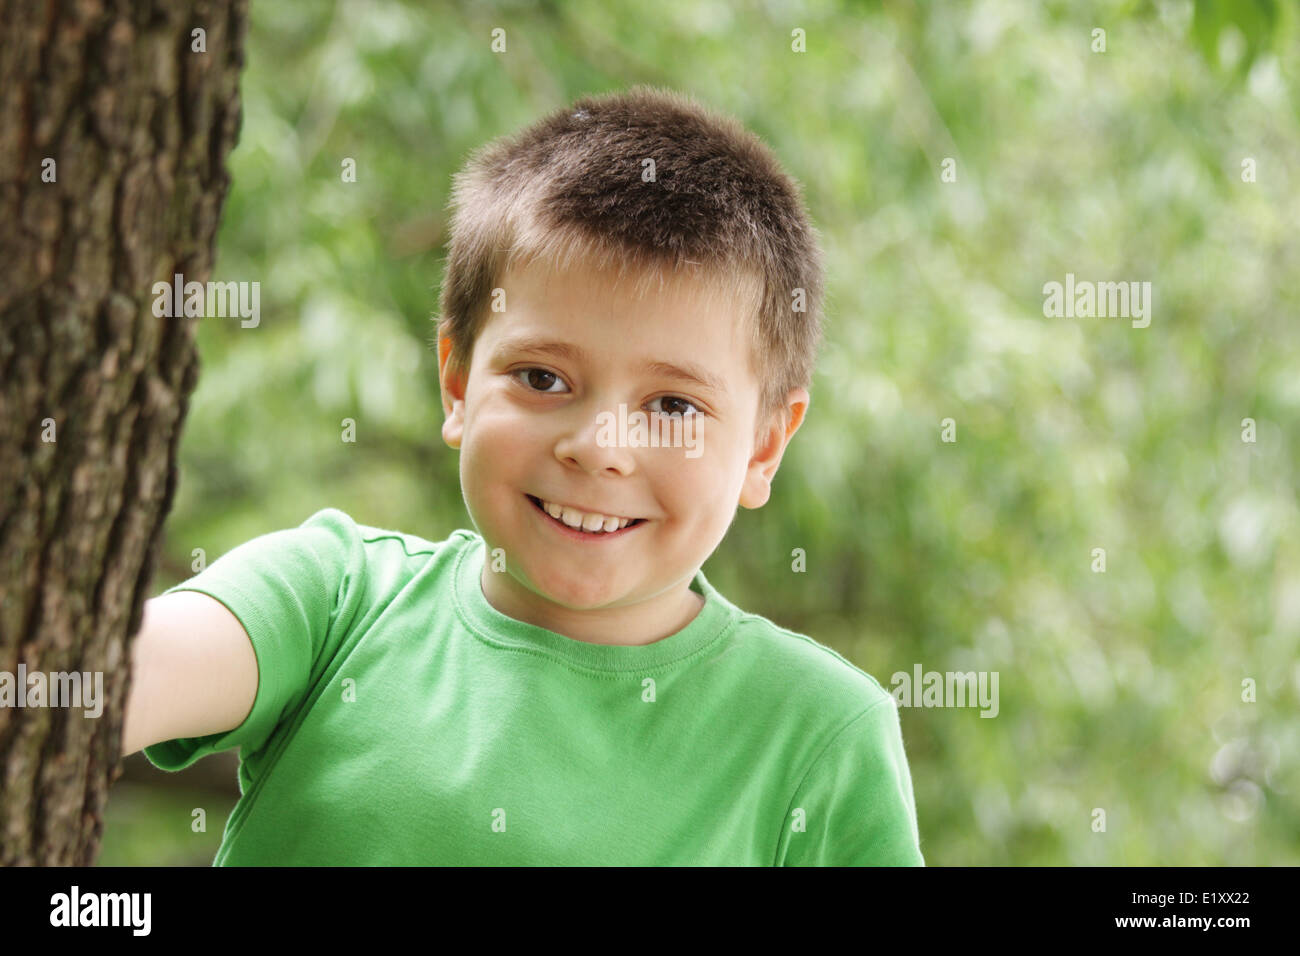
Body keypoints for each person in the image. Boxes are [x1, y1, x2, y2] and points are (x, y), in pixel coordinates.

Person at [123, 85, 925, 866]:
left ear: (763, 447)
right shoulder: (331, 600)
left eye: (674, 405)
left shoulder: (819, 736)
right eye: (543, 378)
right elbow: (91, 682)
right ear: (459, 382)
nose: (598, 447)